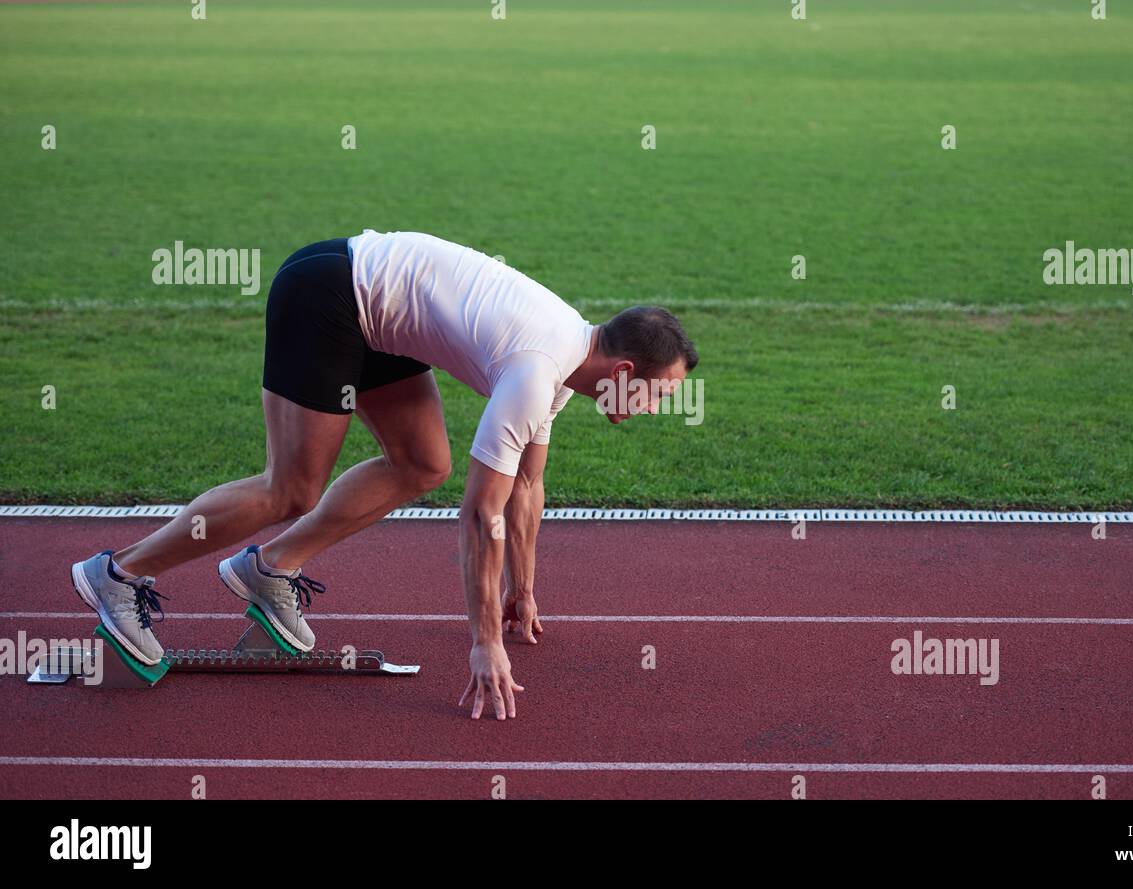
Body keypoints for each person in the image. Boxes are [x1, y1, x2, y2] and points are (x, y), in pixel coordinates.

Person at [70, 230, 698, 720]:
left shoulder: (563, 368)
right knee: (291, 487)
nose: (659, 407)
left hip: (375, 316)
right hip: (330, 294)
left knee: (423, 463)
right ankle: (120, 574)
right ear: (620, 372)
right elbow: (482, 514)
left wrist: (524, 591)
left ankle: (267, 568)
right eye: (657, 392)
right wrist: (484, 644)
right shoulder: (539, 369)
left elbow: (527, 489)